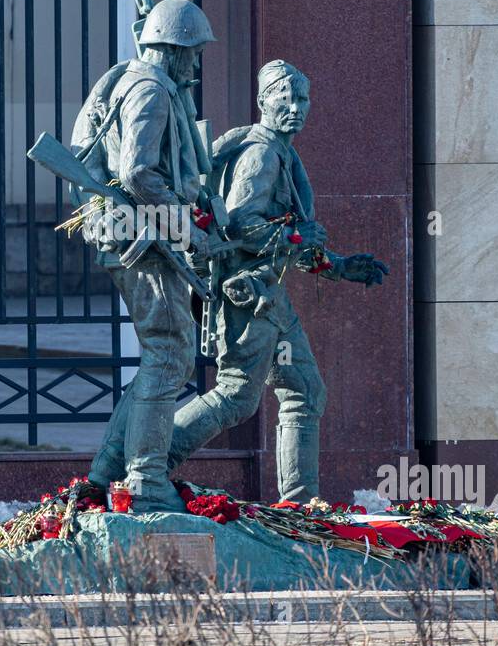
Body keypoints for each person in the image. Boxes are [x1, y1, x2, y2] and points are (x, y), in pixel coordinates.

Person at [163, 60, 389, 501]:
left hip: (270, 295)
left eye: (302, 98)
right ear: (264, 100)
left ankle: (299, 506)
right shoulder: (262, 153)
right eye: (285, 98)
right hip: (247, 295)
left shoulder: (282, 151)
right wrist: (294, 234)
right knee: (236, 397)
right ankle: (149, 466)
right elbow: (241, 224)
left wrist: (338, 266)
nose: (295, 107)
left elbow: (288, 239)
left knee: (305, 392)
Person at [78, 0, 220, 513]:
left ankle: (106, 473)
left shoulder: (139, 82)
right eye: (194, 53)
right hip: (147, 241)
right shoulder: (152, 91)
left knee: (161, 358)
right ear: (173, 49)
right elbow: (138, 172)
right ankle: (145, 480)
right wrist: (183, 224)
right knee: (169, 355)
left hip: (139, 237)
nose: (197, 65)